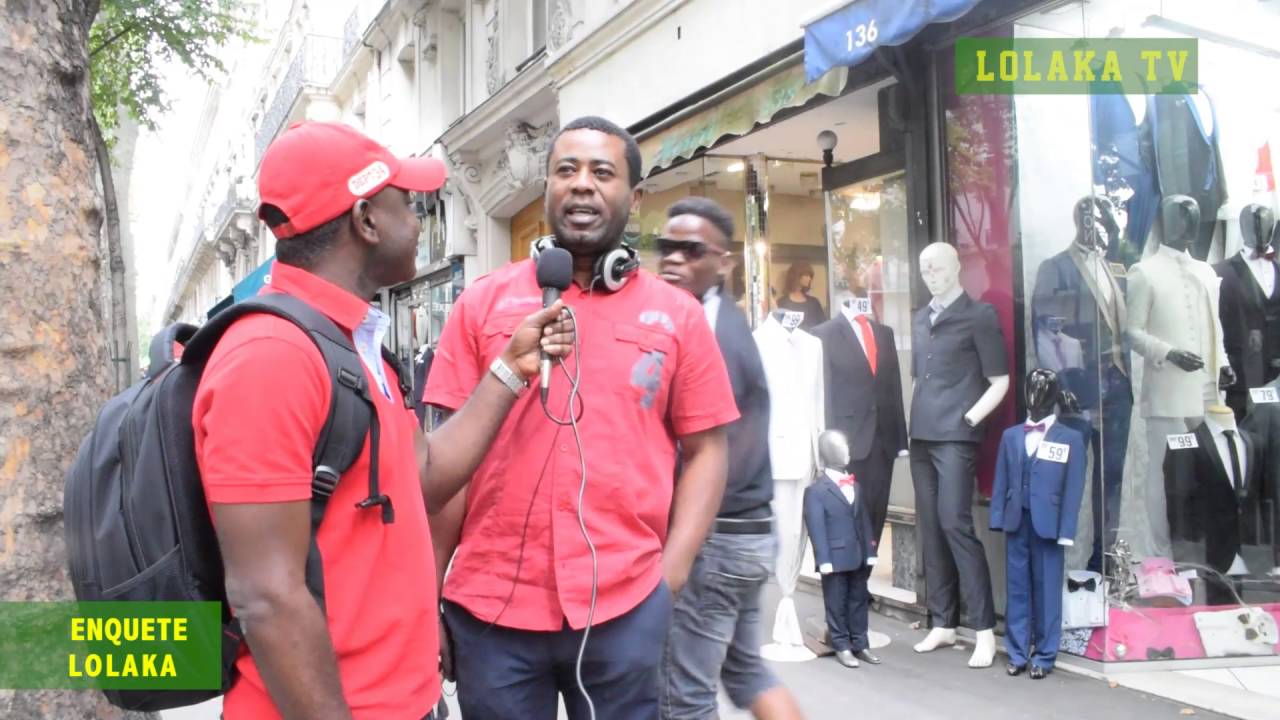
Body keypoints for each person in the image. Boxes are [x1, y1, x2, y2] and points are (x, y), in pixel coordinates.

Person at [194, 121, 574, 720]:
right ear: (366, 220)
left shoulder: (352, 343)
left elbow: (422, 477)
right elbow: (265, 595)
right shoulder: (272, 356)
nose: (420, 218)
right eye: (408, 202)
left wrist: (509, 370)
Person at [424, 116, 739, 720]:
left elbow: (707, 450)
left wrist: (667, 581)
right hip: (491, 612)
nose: (583, 185)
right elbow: (447, 468)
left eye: (602, 172)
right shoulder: (481, 303)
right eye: (566, 170)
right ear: (545, 190)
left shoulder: (678, 315)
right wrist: (425, 597)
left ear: (634, 198)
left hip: (625, 606)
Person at [656, 196, 803, 720]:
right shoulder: (714, 319)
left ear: (723, 262)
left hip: (717, 539)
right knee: (745, 672)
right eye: (666, 247)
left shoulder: (712, 336)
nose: (674, 259)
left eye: (691, 250)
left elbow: (708, 454)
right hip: (747, 535)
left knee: (683, 696)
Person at [777, 261, 827, 330]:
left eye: (810, 276)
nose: (809, 279)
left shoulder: (814, 303)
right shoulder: (782, 302)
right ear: (796, 276)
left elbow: (823, 326)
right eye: (806, 275)